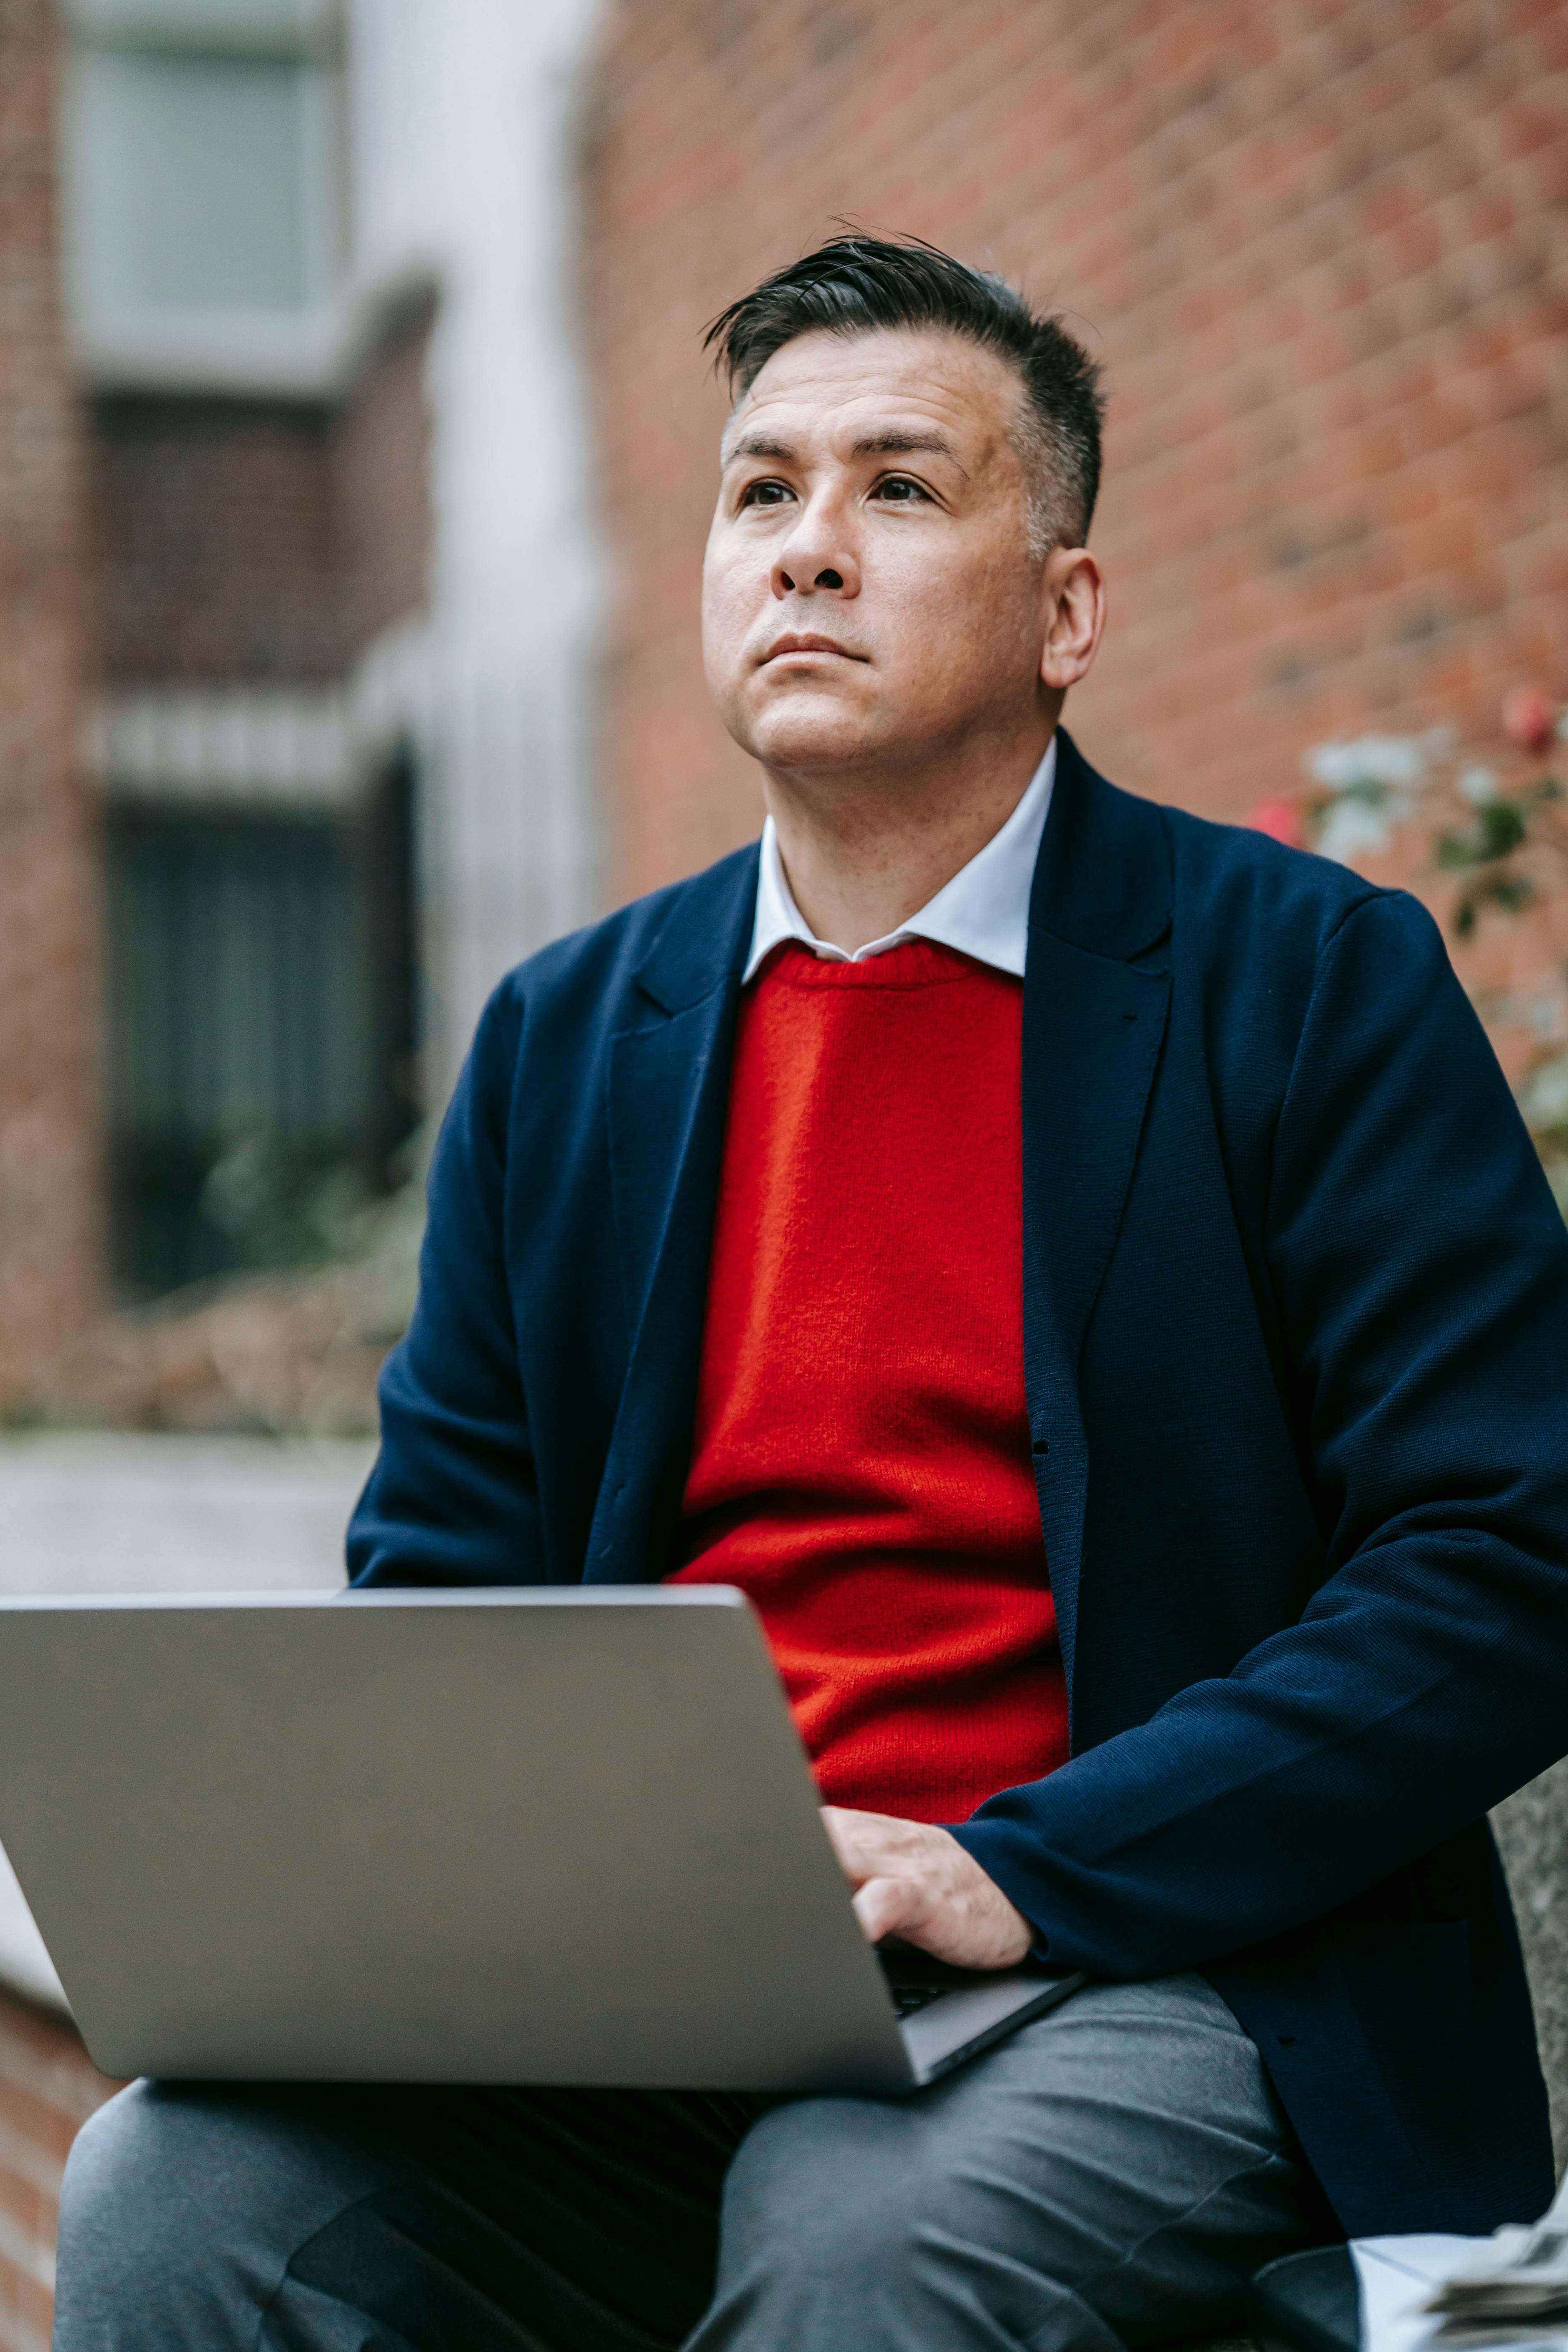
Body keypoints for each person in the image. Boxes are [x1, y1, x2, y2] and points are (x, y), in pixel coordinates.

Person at [53, 235, 1568, 2352]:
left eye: (901, 489)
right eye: (762, 492)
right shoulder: (571, 1038)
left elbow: (1510, 1557)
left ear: (1069, 611)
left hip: (1153, 1960)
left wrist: (1023, 1863)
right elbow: (445, 1593)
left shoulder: (1305, 983)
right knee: (180, 2185)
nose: (809, 551)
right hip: (650, 1983)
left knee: (857, 2222)